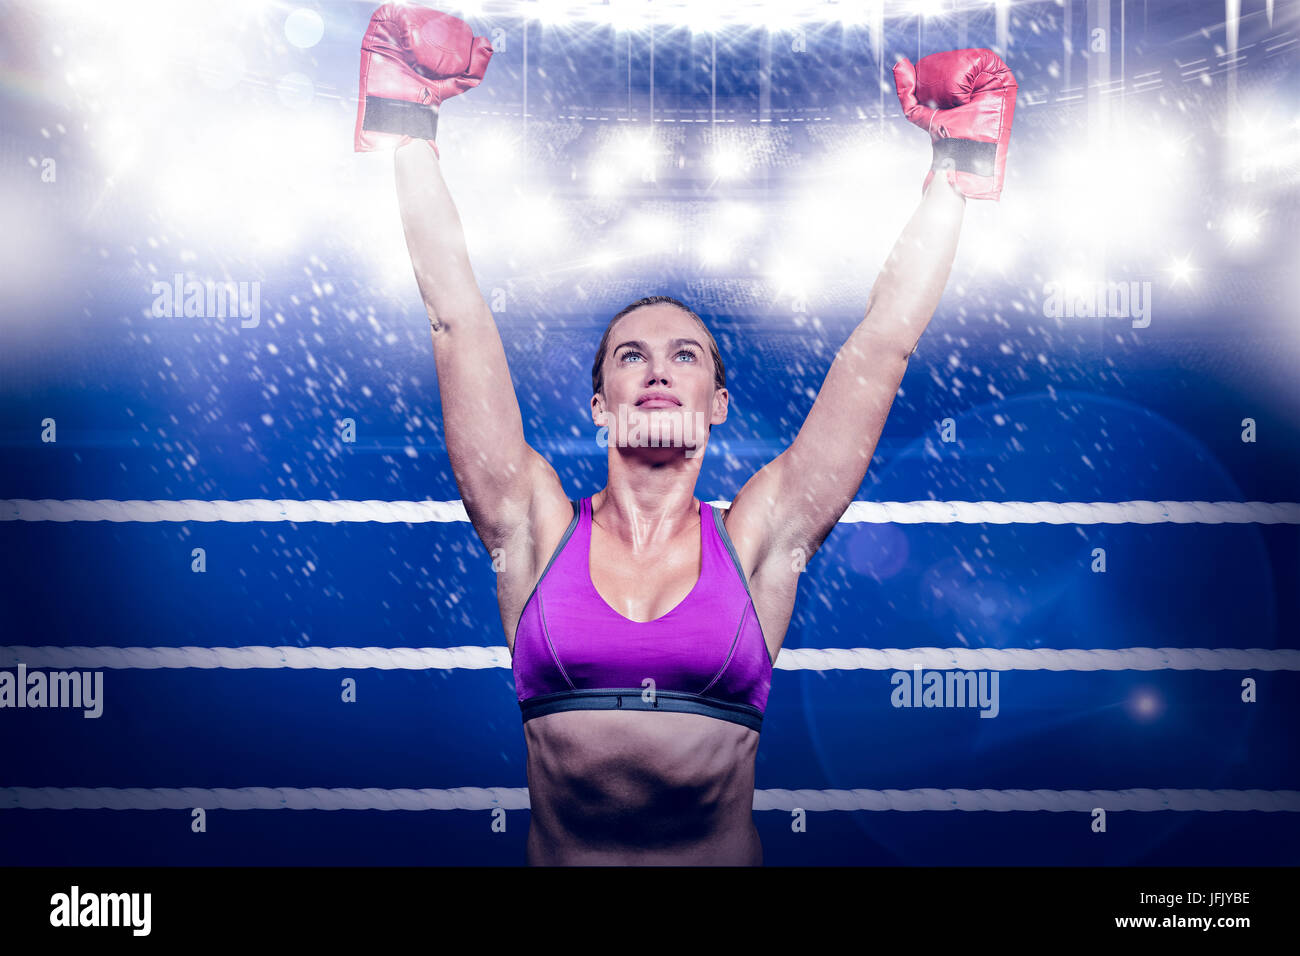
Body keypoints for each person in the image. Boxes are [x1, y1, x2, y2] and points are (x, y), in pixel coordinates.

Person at [354, 4, 1016, 865]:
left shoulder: (760, 537)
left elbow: (882, 344)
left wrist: (953, 166)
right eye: (630, 356)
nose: (658, 369)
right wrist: (411, 125)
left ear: (717, 403)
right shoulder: (532, 527)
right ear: (600, 404)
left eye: (685, 357)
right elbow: (456, 319)